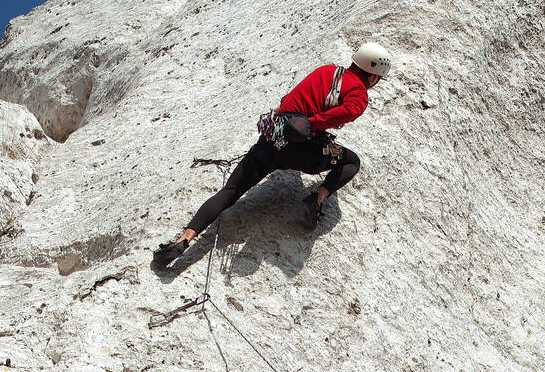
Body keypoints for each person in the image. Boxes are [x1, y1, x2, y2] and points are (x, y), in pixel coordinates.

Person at [153, 41, 391, 268]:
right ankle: (317, 198)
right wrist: (313, 123)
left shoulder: (327, 71)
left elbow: (290, 99)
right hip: (301, 150)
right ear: (372, 75)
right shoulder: (359, 93)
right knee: (351, 162)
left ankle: (185, 238)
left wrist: (293, 116)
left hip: (273, 137)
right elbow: (348, 111)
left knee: (230, 191)